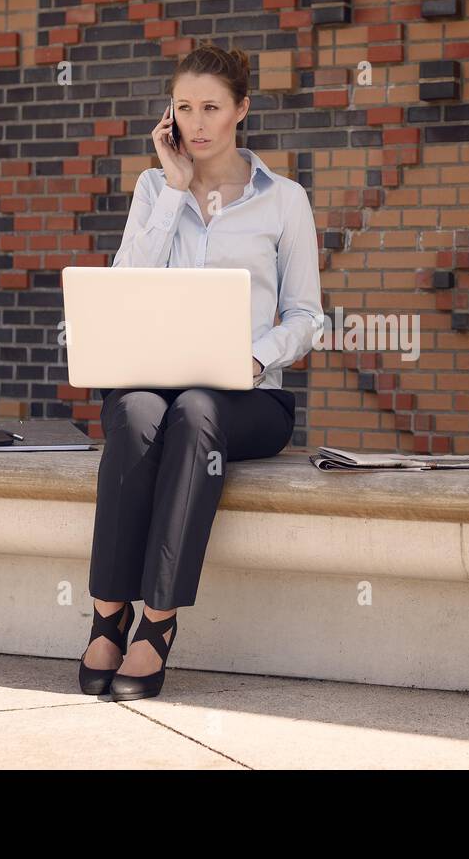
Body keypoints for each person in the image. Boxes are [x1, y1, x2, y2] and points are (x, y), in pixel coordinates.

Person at [77, 44, 323, 701]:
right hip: (157, 383)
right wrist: (173, 189)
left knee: (196, 410)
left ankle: (156, 624)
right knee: (131, 412)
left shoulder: (285, 201)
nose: (197, 122)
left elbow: (307, 316)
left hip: (247, 398)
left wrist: (252, 355)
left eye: (211, 106)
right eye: (184, 107)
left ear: (242, 109)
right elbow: (125, 287)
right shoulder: (156, 189)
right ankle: (108, 612)